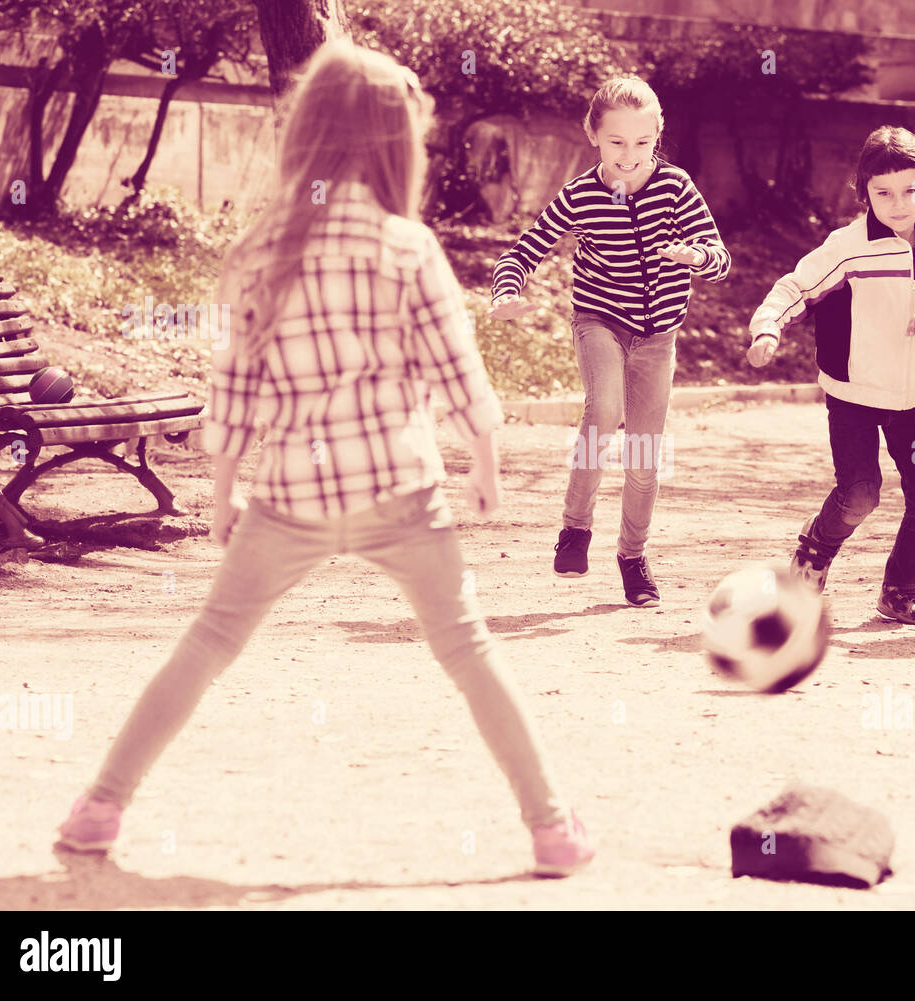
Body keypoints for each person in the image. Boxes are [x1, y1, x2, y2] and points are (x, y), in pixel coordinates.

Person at [56, 40, 594, 877]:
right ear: (395, 145)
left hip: (292, 496)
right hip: (402, 492)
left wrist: (224, 492)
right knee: (468, 650)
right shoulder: (408, 247)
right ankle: (553, 828)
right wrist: (484, 461)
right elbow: (457, 370)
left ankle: (98, 809)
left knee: (207, 641)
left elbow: (234, 387)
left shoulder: (260, 252)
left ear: (304, 133)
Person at [490, 75, 730, 607]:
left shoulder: (675, 187)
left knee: (644, 456)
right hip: (599, 319)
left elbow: (720, 257)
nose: (630, 155)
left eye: (643, 143)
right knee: (603, 412)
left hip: (658, 336)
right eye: (617, 141)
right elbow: (521, 253)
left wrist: (697, 257)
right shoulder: (579, 195)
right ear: (592, 134)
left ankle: (633, 556)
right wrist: (505, 295)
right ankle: (575, 528)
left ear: (657, 137)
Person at [748, 125, 915, 624]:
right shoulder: (847, 247)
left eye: (910, 190)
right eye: (882, 192)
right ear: (864, 192)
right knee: (859, 494)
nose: (898, 203)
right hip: (855, 396)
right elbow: (795, 287)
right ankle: (813, 555)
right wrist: (767, 328)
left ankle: (901, 592)